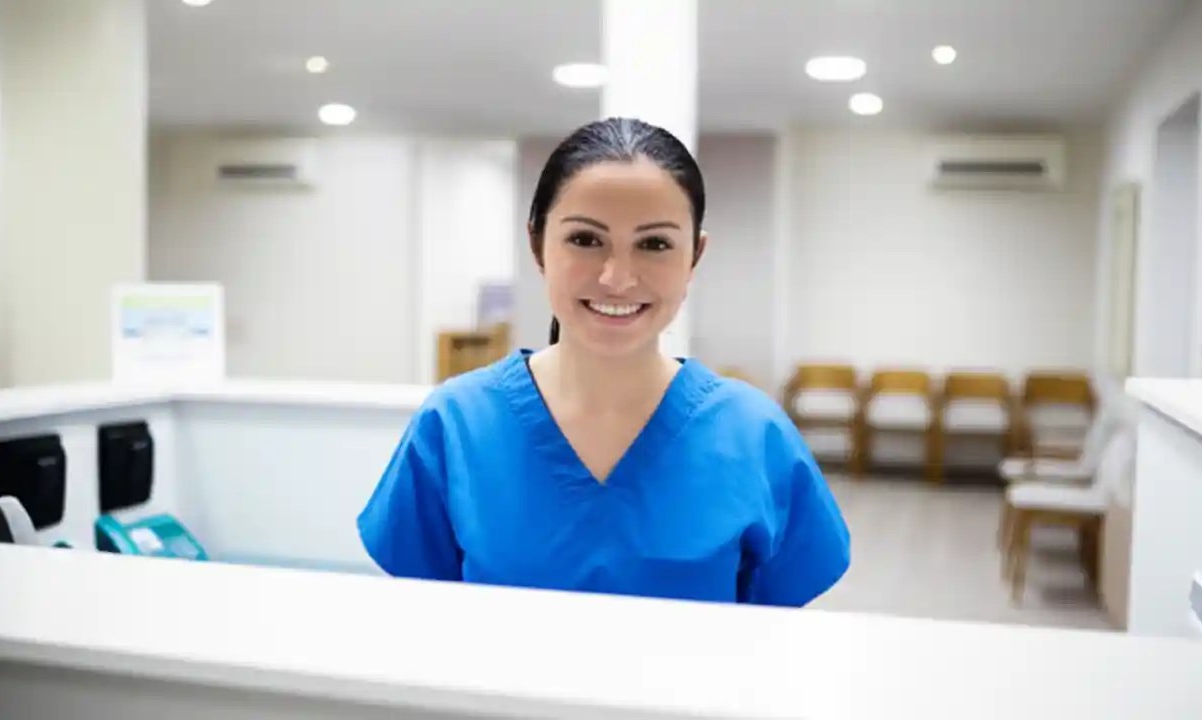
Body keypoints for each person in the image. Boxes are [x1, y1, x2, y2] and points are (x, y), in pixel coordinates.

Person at [357, 117, 850, 606]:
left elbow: (777, 640)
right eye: (586, 240)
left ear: (694, 257)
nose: (617, 278)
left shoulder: (753, 434)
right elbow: (422, 622)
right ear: (537, 245)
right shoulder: (456, 425)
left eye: (654, 244)